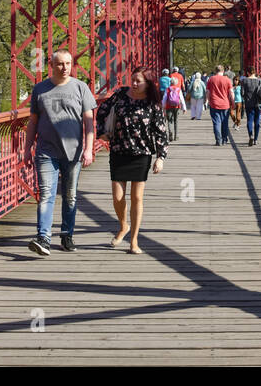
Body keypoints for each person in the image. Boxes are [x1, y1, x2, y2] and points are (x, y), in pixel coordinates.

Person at [24, 49, 96, 256]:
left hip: (73, 152)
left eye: (68, 63)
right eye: (60, 64)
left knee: (70, 195)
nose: (64, 68)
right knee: (46, 194)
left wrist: (89, 149)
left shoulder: (81, 88)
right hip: (46, 151)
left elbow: (89, 123)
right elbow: (33, 122)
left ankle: (66, 234)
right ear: (51, 65)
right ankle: (43, 238)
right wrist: (27, 149)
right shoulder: (40, 89)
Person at [95, 69, 168, 254]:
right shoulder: (120, 94)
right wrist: (102, 131)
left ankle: (134, 241)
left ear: (148, 84)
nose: (134, 84)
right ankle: (123, 226)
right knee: (118, 197)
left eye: (138, 81)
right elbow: (102, 110)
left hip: (141, 153)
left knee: (137, 198)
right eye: (133, 80)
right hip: (119, 150)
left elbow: (160, 131)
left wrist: (161, 157)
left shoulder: (153, 103)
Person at [206, 65, 234, 145]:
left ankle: (218, 140)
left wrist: (207, 101)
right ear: (223, 71)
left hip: (214, 104)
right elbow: (231, 93)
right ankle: (224, 139)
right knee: (225, 122)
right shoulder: (227, 80)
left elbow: (208, 92)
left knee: (216, 123)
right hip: (225, 104)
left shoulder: (211, 79)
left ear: (215, 70)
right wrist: (233, 102)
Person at [240, 68, 261, 145]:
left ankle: (250, 136)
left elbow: (242, 93)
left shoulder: (244, 81)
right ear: (254, 72)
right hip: (258, 104)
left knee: (249, 120)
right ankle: (255, 139)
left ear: (248, 73)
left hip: (249, 104)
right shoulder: (260, 81)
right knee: (257, 122)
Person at [162, 72, 184, 141]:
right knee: (176, 121)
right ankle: (176, 136)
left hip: (169, 106)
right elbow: (181, 98)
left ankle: (170, 133)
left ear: (170, 82)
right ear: (176, 82)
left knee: (169, 121)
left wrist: (163, 107)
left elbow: (164, 98)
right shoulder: (178, 89)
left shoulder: (168, 89)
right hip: (177, 107)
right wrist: (184, 108)